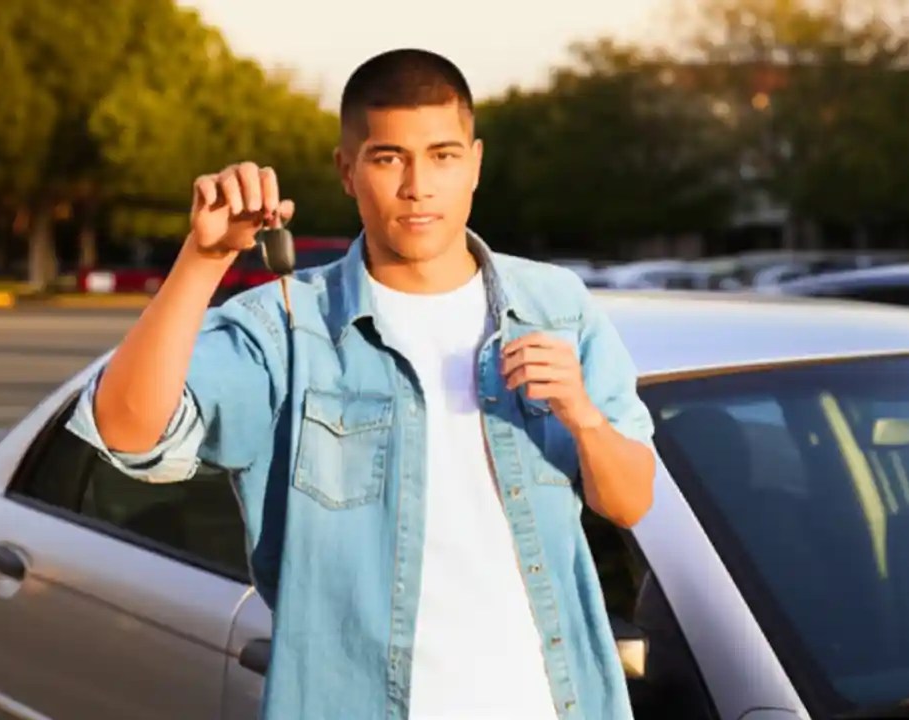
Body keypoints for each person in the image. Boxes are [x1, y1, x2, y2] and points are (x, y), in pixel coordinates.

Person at [66, 48, 656, 720]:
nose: (418, 186)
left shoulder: (557, 305)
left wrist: (582, 415)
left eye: (442, 155)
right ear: (348, 171)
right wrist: (204, 260)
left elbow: (630, 501)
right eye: (388, 158)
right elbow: (128, 430)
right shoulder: (287, 329)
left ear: (475, 163)